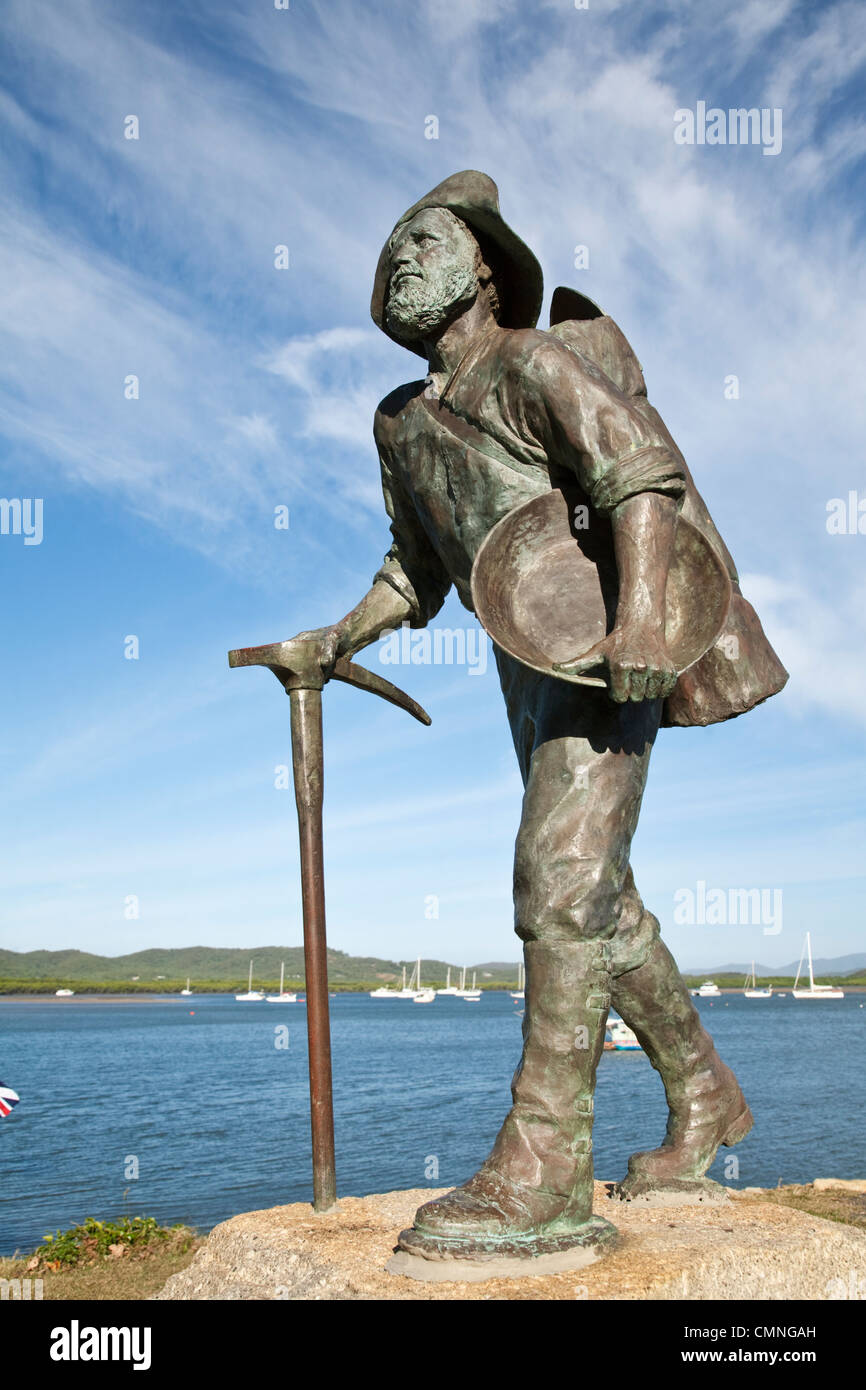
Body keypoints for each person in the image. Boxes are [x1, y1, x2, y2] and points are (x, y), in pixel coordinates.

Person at [284, 172, 788, 1260]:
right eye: (390, 253)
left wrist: (647, 626)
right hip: (527, 656)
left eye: (424, 241)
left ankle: (544, 1167)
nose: (401, 261)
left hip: (611, 645)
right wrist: (340, 634)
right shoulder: (398, 422)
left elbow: (635, 476)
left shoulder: (533, 362)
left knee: (555, 879)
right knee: (594, 897)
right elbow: (416, 569)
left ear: (481, 266)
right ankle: (704, 1093)